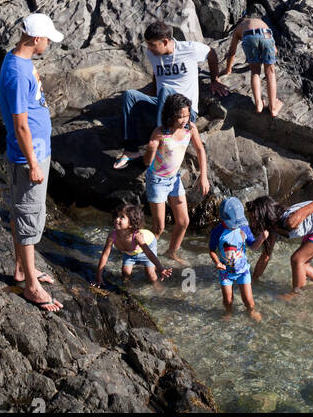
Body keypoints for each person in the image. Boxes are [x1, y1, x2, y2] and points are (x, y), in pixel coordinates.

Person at [0, 12, 64, 312]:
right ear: (35, 39)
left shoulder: (23, 63)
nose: (49, 42)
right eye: (48, 38)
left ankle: (23, 269)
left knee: (27, 212)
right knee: (28, 215)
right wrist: (34, 163)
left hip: (37, 150)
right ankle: (31, 287)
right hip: (29, 156)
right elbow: (20, 124)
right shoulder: (16, 72)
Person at [114, 19, 228, 166]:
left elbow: (211, 53)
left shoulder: (189, 49)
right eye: (147, 44)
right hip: (162, 105)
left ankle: (163, 144)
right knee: (130, 95)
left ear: (166, 42)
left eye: (152, 45)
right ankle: (131, 149)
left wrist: (214, 80)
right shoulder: (153, 54)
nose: (148, 49)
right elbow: (157, 73)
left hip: (185, 113)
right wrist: (154, 90)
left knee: (166, 90)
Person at [142, 92, 209, 263]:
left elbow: (200, 150)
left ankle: (171, 252)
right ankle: (142, 256)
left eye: (187, 115)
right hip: (157, 180)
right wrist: (150, 150)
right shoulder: (160, 132)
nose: (184, 119)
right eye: (180, 116)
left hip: (174, 179)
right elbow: (146, 162)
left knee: (184, 222)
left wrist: (204, 177)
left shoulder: (190, 128)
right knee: (159, 228)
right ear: (171, 115)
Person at [94, 203, 172, 288]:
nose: (117, 219)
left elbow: (149, 253)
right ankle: (127, 287)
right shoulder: (112, 236)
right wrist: (98, 276)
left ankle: (157, 285)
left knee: (150, 274)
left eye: (122, 217)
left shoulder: (137, 236)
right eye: (117, 216)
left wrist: (160, 268)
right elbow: (105, 256)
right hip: (130, 252)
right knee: (125, 272)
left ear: (131, 224)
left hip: (147, 246)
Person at [209, 197, 261, 321]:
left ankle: (251, 311)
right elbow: (211, 250)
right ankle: (228, 312)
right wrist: (217, 262)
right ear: (222, 218)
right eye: (233, 223)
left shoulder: (243, 228)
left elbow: (253, 246)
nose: (235, 226)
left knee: (248, 300)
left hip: (243, 270)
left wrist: (261, 239)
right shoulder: (217, 232)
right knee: (228, 299)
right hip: (225, 271)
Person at [223, 15, 282, 116]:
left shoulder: (239, 28)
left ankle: (259, 104)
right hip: (266, 34)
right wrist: (268, 61)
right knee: (270, 73)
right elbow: (275, 50)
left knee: (255, 71)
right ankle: (273, 107)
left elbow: (231, 51)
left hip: (249, 36)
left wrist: (228, 69)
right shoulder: (261, 22)